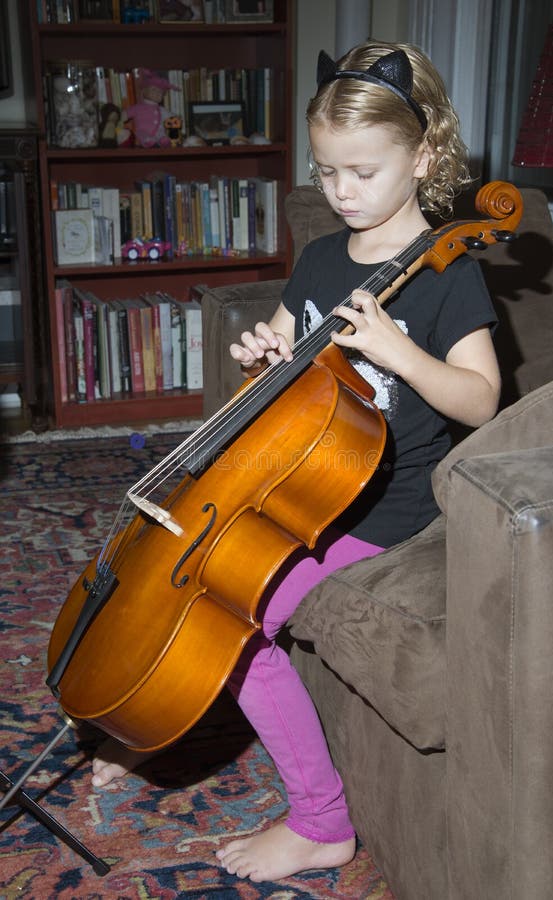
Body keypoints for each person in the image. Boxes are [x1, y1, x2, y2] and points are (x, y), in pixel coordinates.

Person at [91, 41, 501, 883]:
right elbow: (289, 357)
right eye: (327, 173)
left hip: (384, 514)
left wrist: (402, 351)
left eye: (361, 172)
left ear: (423, 157)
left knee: (227, 625)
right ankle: (144, 720)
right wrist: (264, 349)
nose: (341, 193)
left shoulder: (447, 274)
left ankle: (322, 823)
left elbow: (481, 399)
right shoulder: (321, 259)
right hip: (298, 488)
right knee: (181, 579)